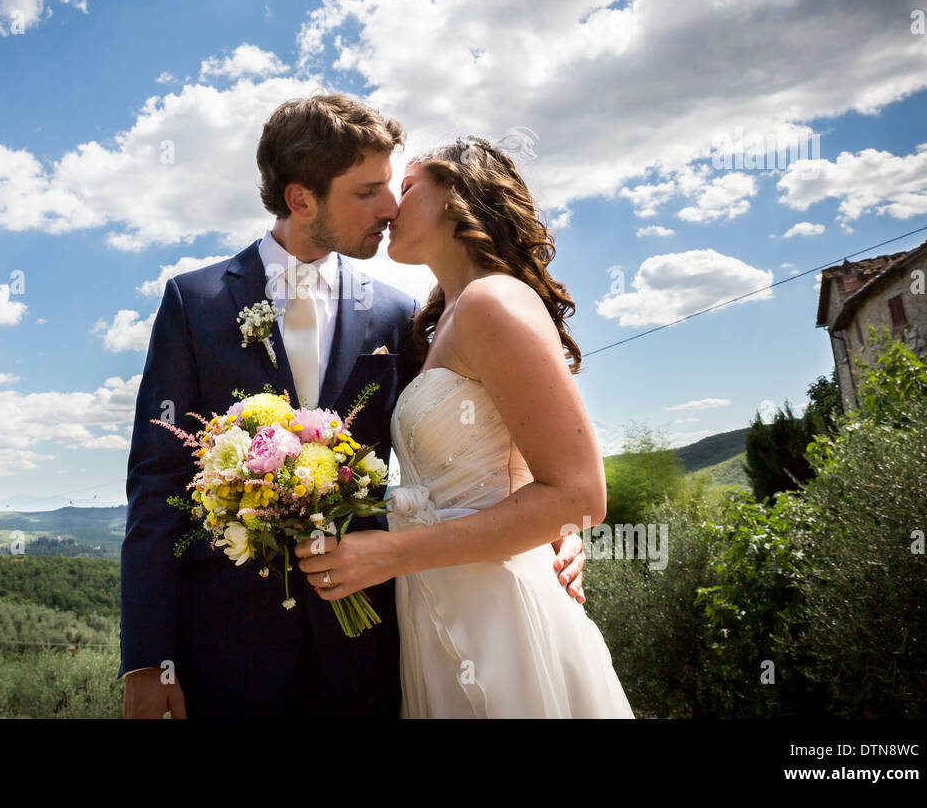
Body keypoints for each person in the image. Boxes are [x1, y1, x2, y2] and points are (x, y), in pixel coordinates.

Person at [120, 98, 587, 719]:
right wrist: (148, 658)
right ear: (301, 200)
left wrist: (560, 536)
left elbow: (501, 434)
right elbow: (158, 486)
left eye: (393, 187)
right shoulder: (194, 302)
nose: (390, 207)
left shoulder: (402, 316)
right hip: (229, 652)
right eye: (367, 192)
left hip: (373, 646)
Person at [295, 135, 634, 718]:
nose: (390, 208)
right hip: (437, 610)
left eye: (404, 188)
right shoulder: (433, 329)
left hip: (502, 617)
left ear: (456, 195)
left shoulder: (493, 302)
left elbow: (579, 495)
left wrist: (391, 553)